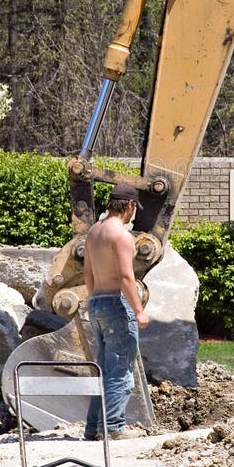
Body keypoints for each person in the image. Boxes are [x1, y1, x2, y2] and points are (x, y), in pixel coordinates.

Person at [83, 182, 150, 440]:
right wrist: (139, 310)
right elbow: (125, 277)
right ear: (130, 205)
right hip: (115, 304)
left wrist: (95, 300)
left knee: (103, 368)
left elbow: (88, 274)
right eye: (134, 208)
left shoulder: (94, 232)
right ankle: (112, 427)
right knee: (120, 370)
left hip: (96, 302)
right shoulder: (121, 235)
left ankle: (93, 428)